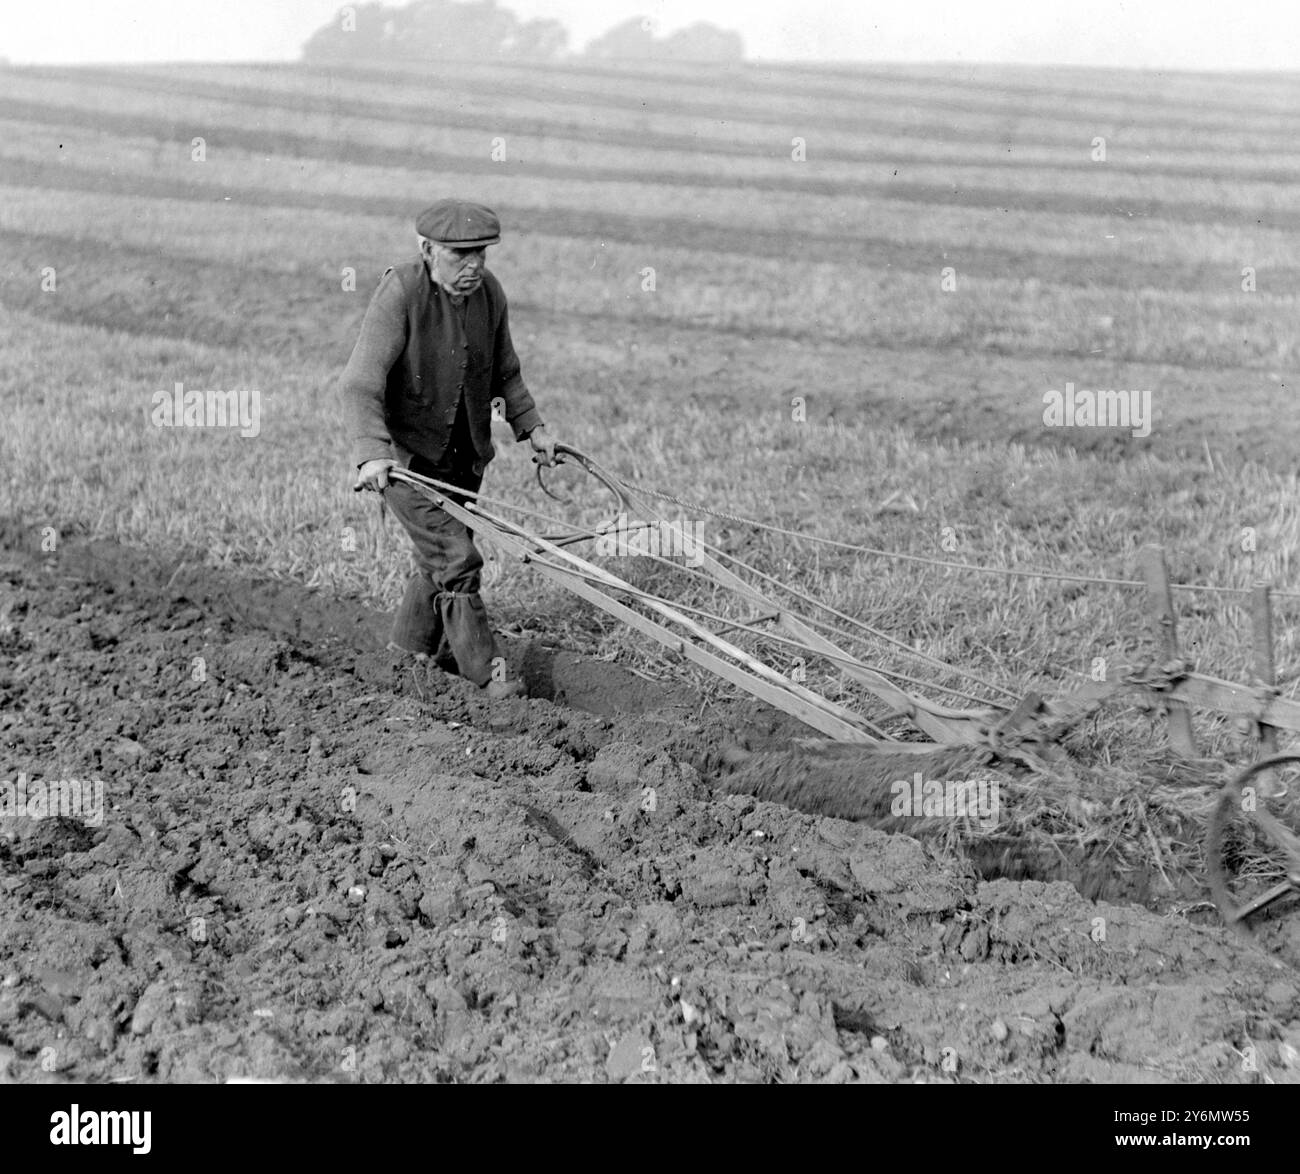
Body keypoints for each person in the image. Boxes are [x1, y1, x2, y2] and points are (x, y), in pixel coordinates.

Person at [340, 198, 556, 699]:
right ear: (427, 250)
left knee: (434, 558)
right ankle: (486, 673)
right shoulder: (401, 293)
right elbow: (358, 382)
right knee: (457, 559)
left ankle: (406, 652)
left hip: (465, 458)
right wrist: (373, 452)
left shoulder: (489, 295)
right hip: (409, 462)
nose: (473, 265)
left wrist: (534, 430)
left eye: (480, 253)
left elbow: (506, 373)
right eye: (459, 255)